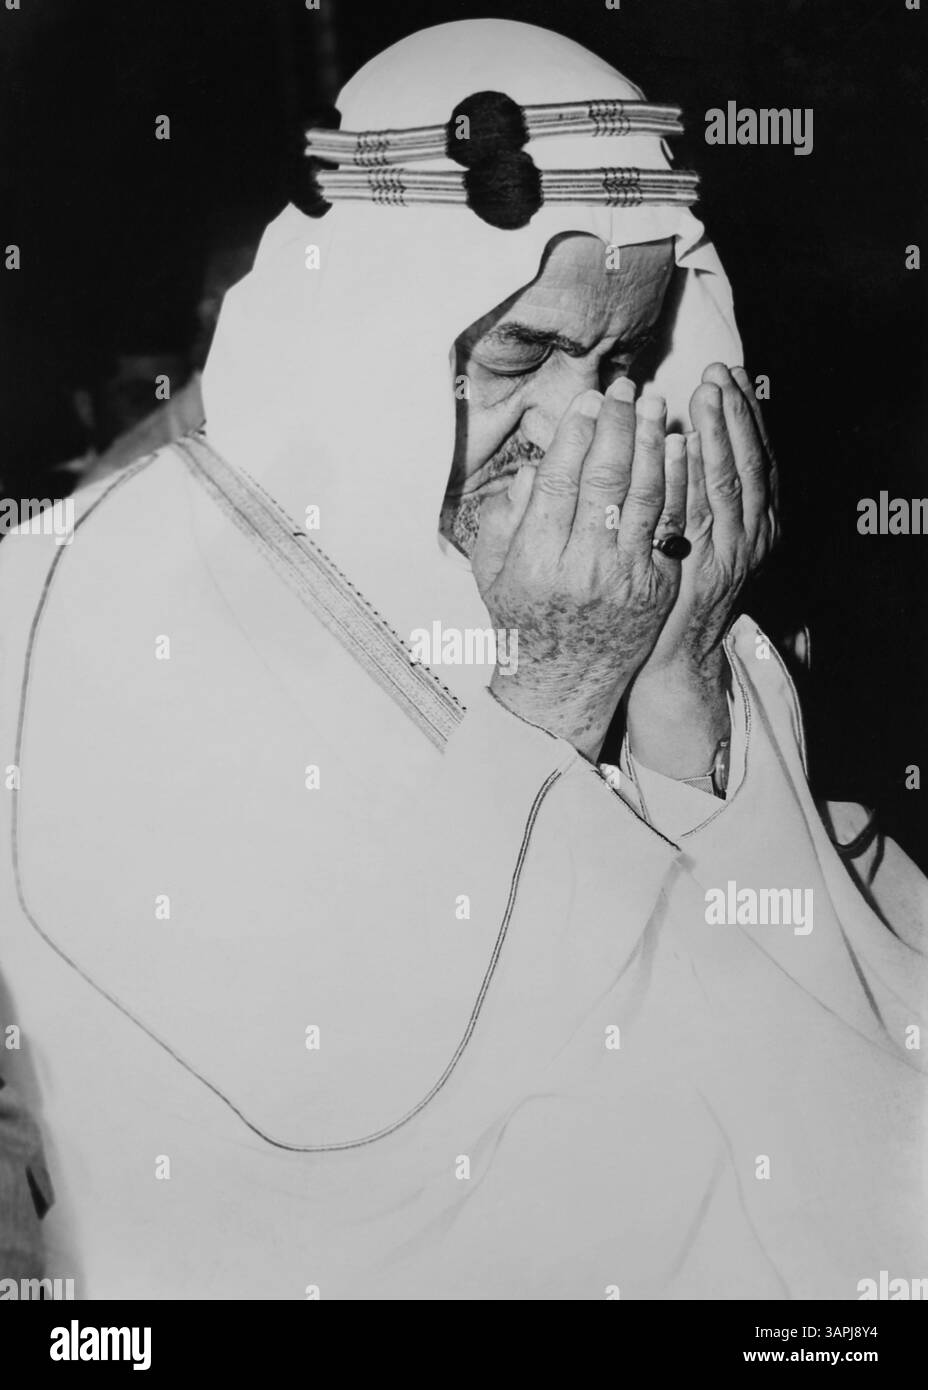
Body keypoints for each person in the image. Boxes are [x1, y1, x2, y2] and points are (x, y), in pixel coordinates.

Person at [0, 19, 924, 1301]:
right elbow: (310, 1124)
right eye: (522, 355)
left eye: (621, 356)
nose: (581, 421)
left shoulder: (589, 551)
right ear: (377, 318)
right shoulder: (87, 599)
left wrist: (679, 675)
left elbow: (764, 968)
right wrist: (551, 700)